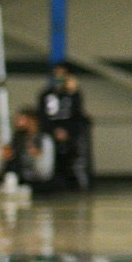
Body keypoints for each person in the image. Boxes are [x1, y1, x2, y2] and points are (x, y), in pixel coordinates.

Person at [38, 62, 92, 191]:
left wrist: (72, 93)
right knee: (48, 146)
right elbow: (43, 117)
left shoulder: (74, 95)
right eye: (57, 74)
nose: (59, 77)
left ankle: (76, 181)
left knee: (75, 148)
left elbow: (77, 116)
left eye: (63, 74)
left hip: (70, 134)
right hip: (50, 133)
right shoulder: (46, 95)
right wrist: (54, 131)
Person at [0, 106, 57, 193]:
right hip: (15, 183)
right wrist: (1, 158)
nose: (19, 123)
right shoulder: (10, 140)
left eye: (24, 120)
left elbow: (45, 173)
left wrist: (37, 157)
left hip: (37, 187)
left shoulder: (44, 140)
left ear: (34, 122)